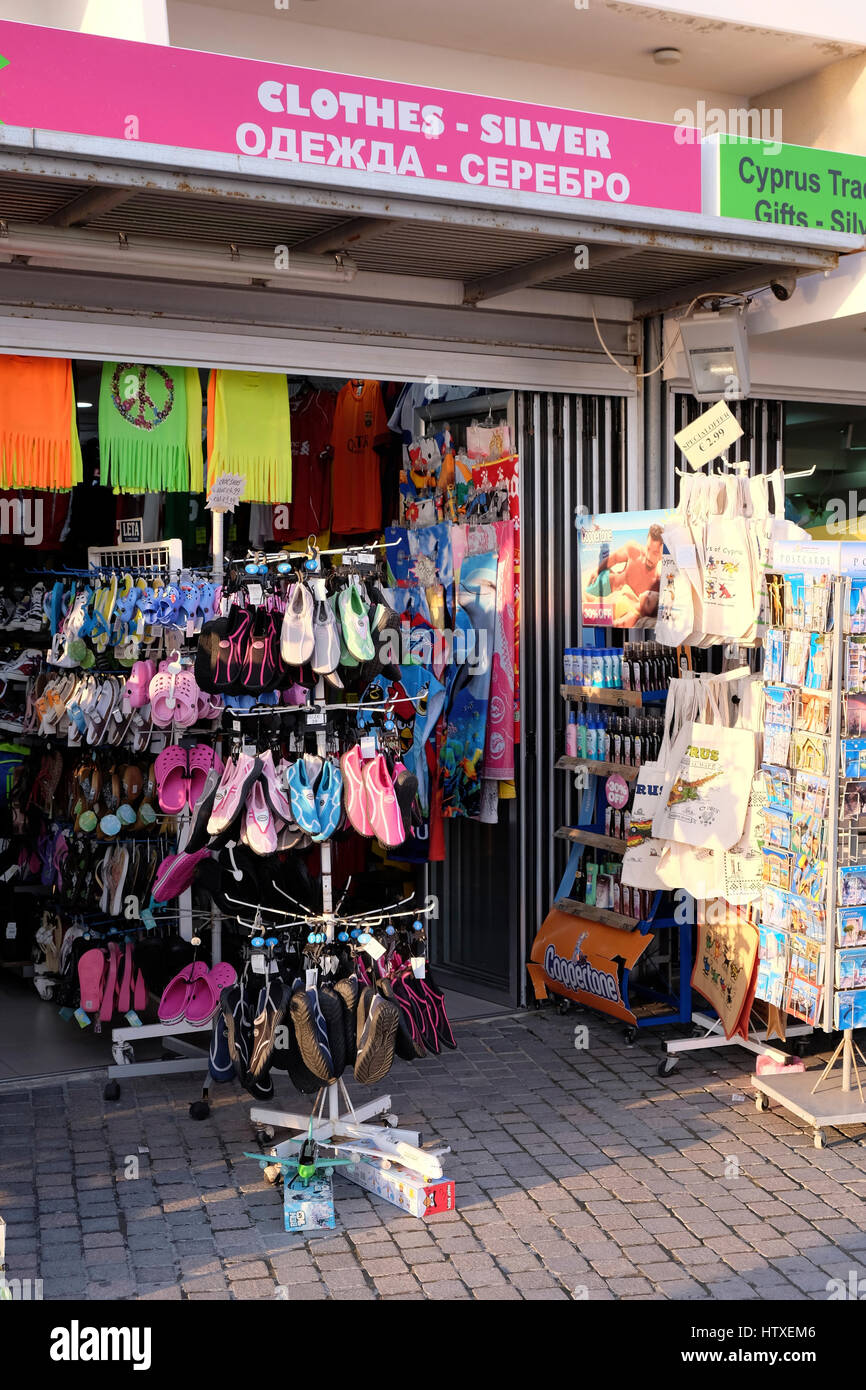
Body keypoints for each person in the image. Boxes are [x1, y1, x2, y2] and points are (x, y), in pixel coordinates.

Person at [584, 524, 663, 627]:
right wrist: (597, 571)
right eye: (648, 549)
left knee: (586, 615)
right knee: (577, 603)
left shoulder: (657, 584)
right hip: (605, 584)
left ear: (662, 554)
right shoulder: (634, 549)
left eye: (655, 553)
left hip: (616, 606)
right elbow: (614, 558)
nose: (649, 556)